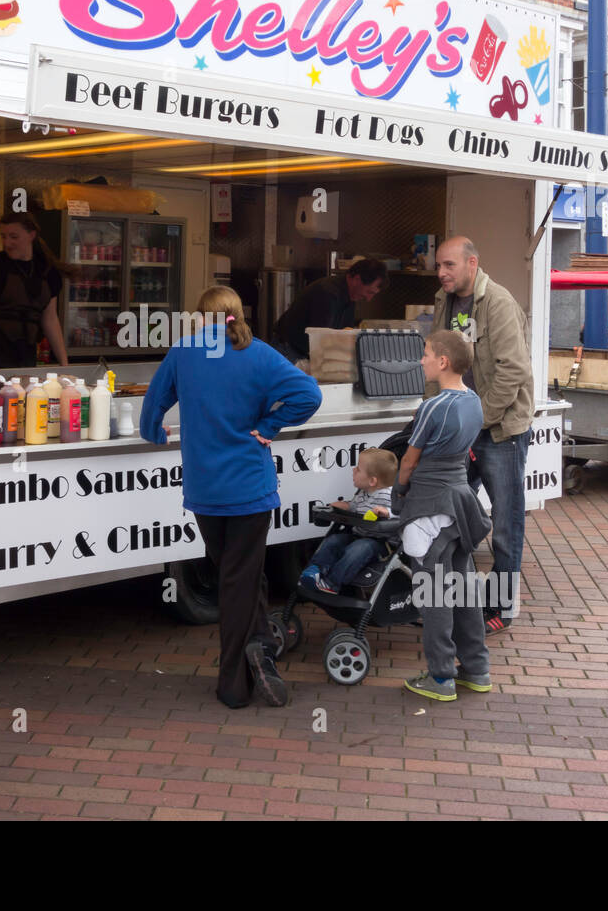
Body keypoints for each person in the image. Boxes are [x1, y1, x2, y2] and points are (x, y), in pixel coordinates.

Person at [140, 286, 322, 708]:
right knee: (240, 578)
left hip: (205, 490)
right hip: (250, 489)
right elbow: (308, 395)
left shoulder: (183, 352)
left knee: (238, 576)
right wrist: (271, 426)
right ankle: (235, 682)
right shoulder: (258, 354)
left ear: (203, 317)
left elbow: (154, 403)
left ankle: (256, 646)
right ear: (238, 315)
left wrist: (153, 430)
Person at [430, 237, 534, 635]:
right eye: (439, 265)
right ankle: (455, 593)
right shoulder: (445, 300)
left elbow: (514, 371)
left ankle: (502, 606)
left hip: (501, 429)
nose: (442, 273)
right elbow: (441, 362)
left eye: (449, 265)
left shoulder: (499, 303)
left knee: (506, 523)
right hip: (463, 426)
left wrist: (478, 418)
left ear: (472, 263)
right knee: (449, 509)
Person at [396, 330, 492, 702]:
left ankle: (440, 678)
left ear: (443, 361)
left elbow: (409, 459)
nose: (421, 360)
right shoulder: (475, 403)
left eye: (426, 354)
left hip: (429, 507)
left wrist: (400, 492)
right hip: (461, 506)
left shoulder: (433, 406)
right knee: (464, 588)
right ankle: (477, 670)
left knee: (434, 594)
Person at [0, 211, 71, 370]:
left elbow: (50, 319)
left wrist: (64, 364)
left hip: (25, 354)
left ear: (31, 235)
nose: (7, 243)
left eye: (14, 237)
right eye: (3, 236)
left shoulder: (48, 272)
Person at [299, 447, 398, 594]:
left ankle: (332, 583)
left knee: (360, 548)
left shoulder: (387, 495)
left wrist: (387, 512)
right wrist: (343, 506)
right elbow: (354, 507)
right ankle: (315, 571)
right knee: (334, 540)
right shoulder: (364, 493)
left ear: (372, 481)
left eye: (358, 469)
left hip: (379, 543)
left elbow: (402, 514)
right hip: (358, 535)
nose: (353, 470)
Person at [273, 257, 387, 360]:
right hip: (289, 351)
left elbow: (344, 332)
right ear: (356, 279)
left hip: (306, 352)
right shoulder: (328, 293)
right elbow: (321, 339)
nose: (369, 299)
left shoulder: (351, 295)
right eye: (369, 292)